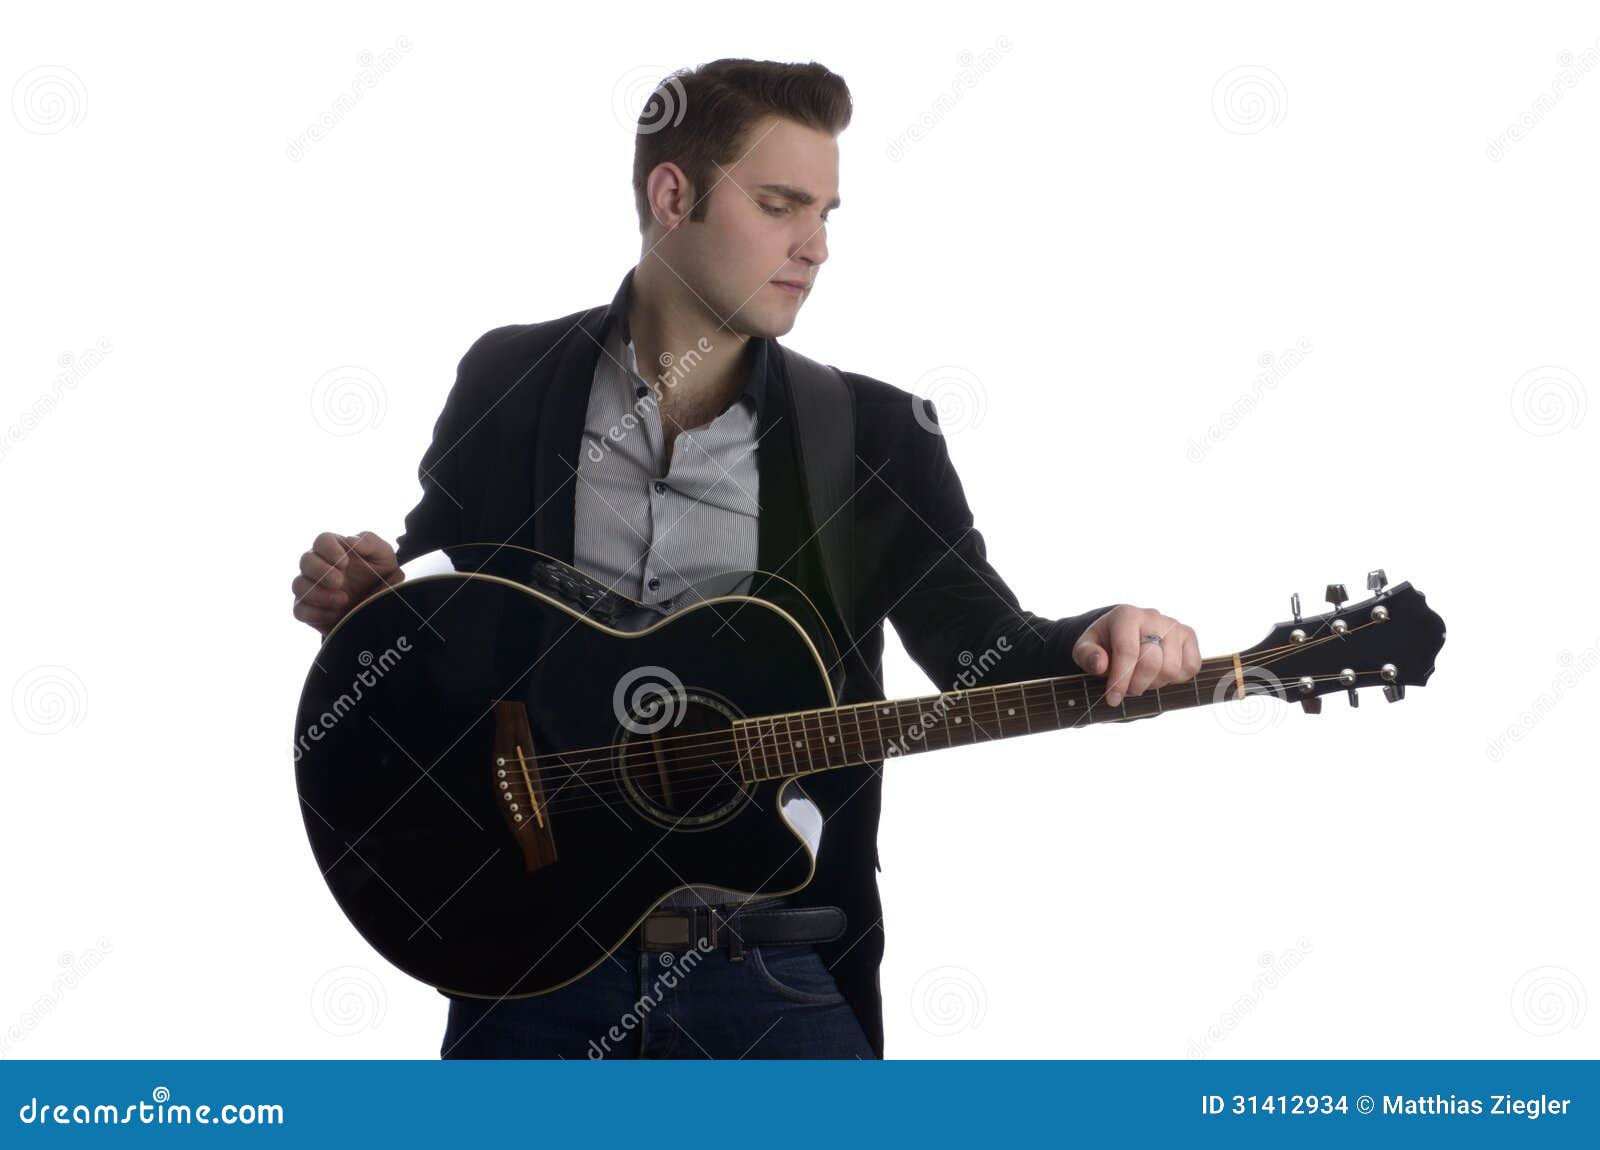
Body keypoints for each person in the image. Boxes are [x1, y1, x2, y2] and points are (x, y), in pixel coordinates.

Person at [291, 58, 1201, 1059]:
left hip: (773, 976)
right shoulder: (512, 376)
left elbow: (980, 646)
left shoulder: (872, 435)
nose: (814, 247)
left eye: (825, 213)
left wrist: (1099, 637)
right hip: (526, 966)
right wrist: (370, 603)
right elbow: (443, 619)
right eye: (779, 206)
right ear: (672, 194)